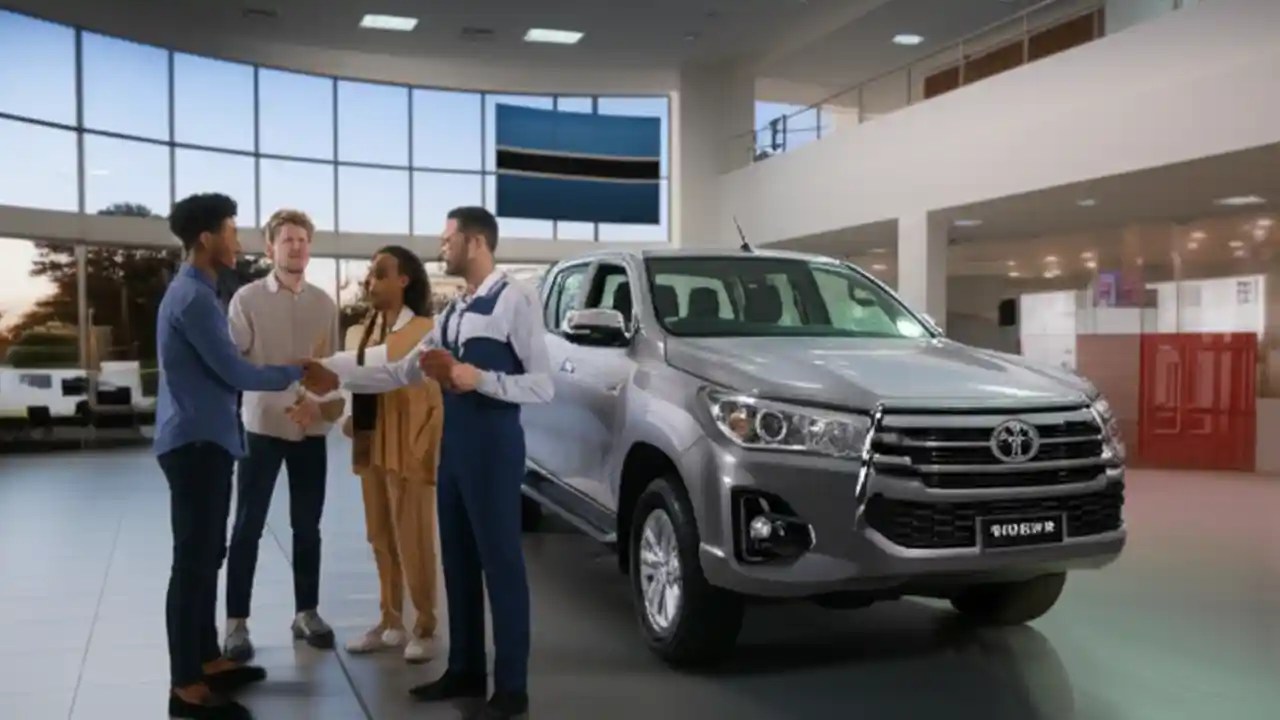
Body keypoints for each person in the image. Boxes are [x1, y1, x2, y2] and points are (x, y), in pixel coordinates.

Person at [303, 206, 552, 720]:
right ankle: (464, 668)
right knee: (457, 563)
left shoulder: (515, 299)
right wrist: (335, 375)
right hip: (455, 450)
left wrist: (471, 376)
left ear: (477, 242)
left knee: (501, 566)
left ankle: (511, 688)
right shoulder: (455, 311)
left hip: (493, 449)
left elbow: (543, 385)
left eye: (449, 239)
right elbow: (400, 371)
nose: (442, 248)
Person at [155, 193, 303, 720]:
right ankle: (185, 686)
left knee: (205, 556)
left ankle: (207, 659)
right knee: (193, 562)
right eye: (231, 231)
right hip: (196, 443)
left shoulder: (200, 290)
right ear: (206, 239)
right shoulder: (194, 299)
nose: (238, 241)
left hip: (205, 438)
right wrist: (295, 370)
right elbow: (234, 372)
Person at [221, 209, 343, 661]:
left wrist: (320, 407)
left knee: (307, 526)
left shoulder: (325, 304)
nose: (296, 246)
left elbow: (332, 370)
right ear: (270, 247)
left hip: (310, 427)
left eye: (303, 239)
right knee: (248, 526)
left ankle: (306, 612)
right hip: (262, 428)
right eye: (287, 239)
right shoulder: (247, 300)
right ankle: (236, 624)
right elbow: (231, 363)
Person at [337, 246, 444, 663]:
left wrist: (425, 448)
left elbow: (435, 397)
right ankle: (390, 620)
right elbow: (355, 381)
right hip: (371, 441)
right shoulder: (359, 331)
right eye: (369, 273)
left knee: (413, 536)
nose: (369, 281)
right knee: (379, 536)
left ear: (404, 281)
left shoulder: (425, 329)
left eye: (379, 274)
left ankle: (425, 624)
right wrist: (347, 416)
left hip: (410, 442)